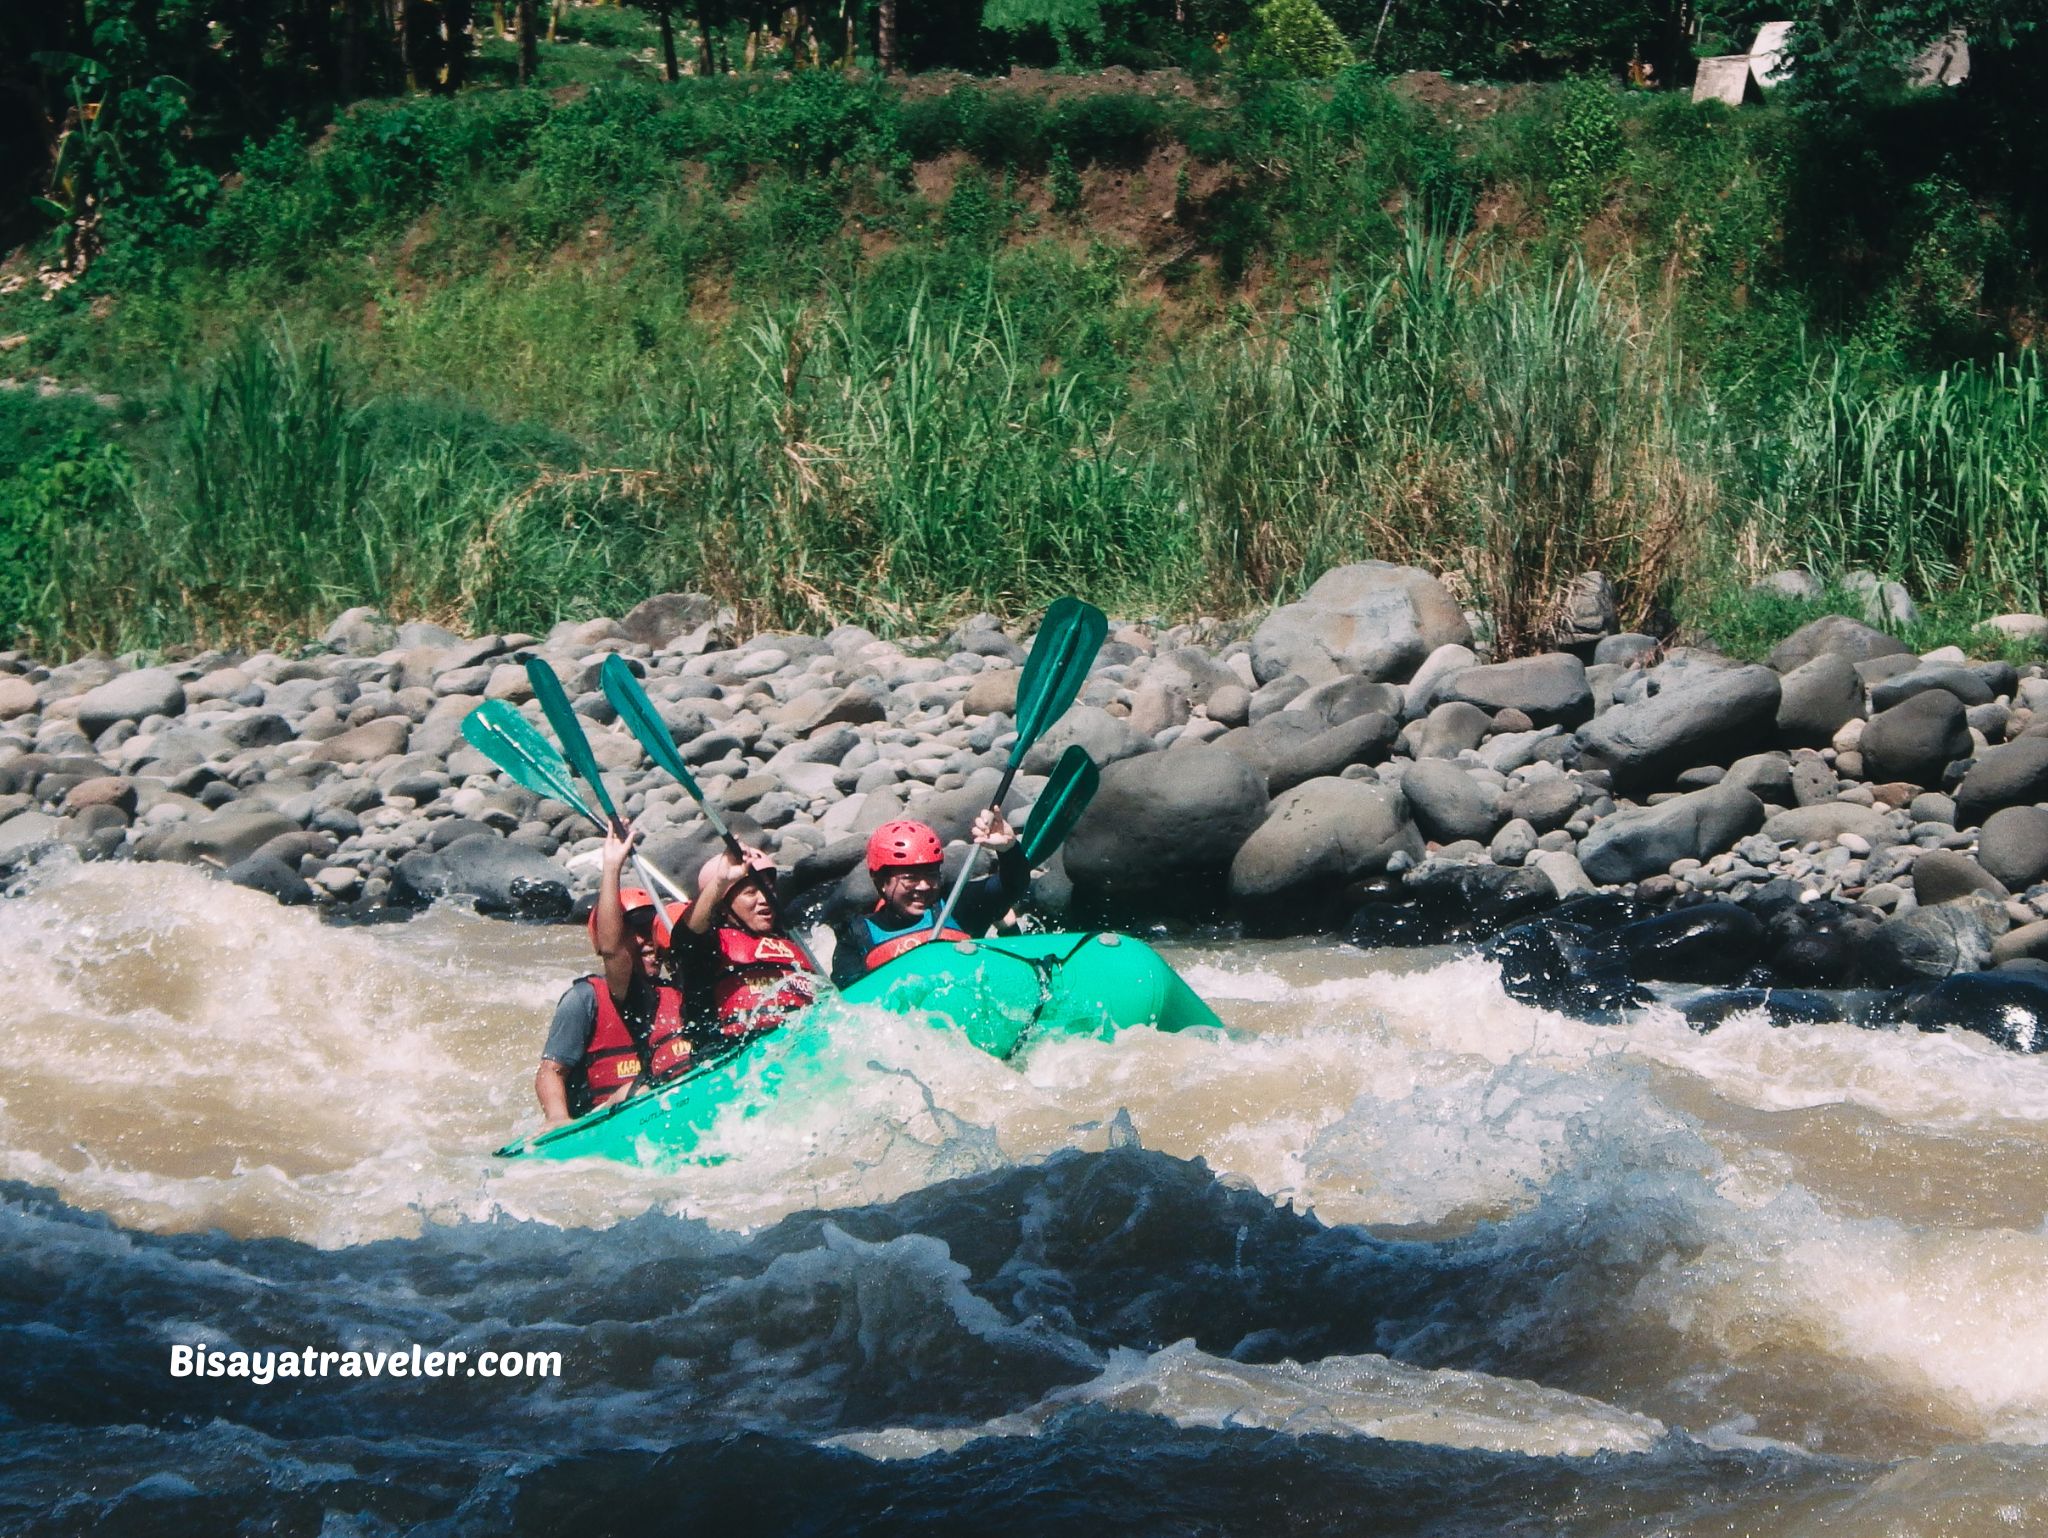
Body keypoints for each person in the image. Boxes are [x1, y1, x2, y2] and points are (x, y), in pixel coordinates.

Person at [534, 828, 690, 1127]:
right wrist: (557, 1118)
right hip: (604, 1115)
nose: (646, 942)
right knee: (636, 1090)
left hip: (663, 1104)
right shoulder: (585, 999)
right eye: (635, 933)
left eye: (650, 931)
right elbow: (551, 1070)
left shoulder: (677, 993)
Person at [830, 812, 1027, 987]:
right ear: (881, 882)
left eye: (931, 875)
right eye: (910, 878)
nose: (924, 886)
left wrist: (1008, 850)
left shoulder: (955, 907)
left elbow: (1011, 887)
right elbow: (847, 1002)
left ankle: (1007, 926)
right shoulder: (856, 936)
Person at [682, 844, 818, 1040]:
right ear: (722, 906)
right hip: (738, 1055)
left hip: (800, 1044)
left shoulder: (791, 942)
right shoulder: (708, 950)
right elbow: (688, 936)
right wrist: (720, 882)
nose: (765, 899)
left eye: (768, 889)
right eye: (751, 892)